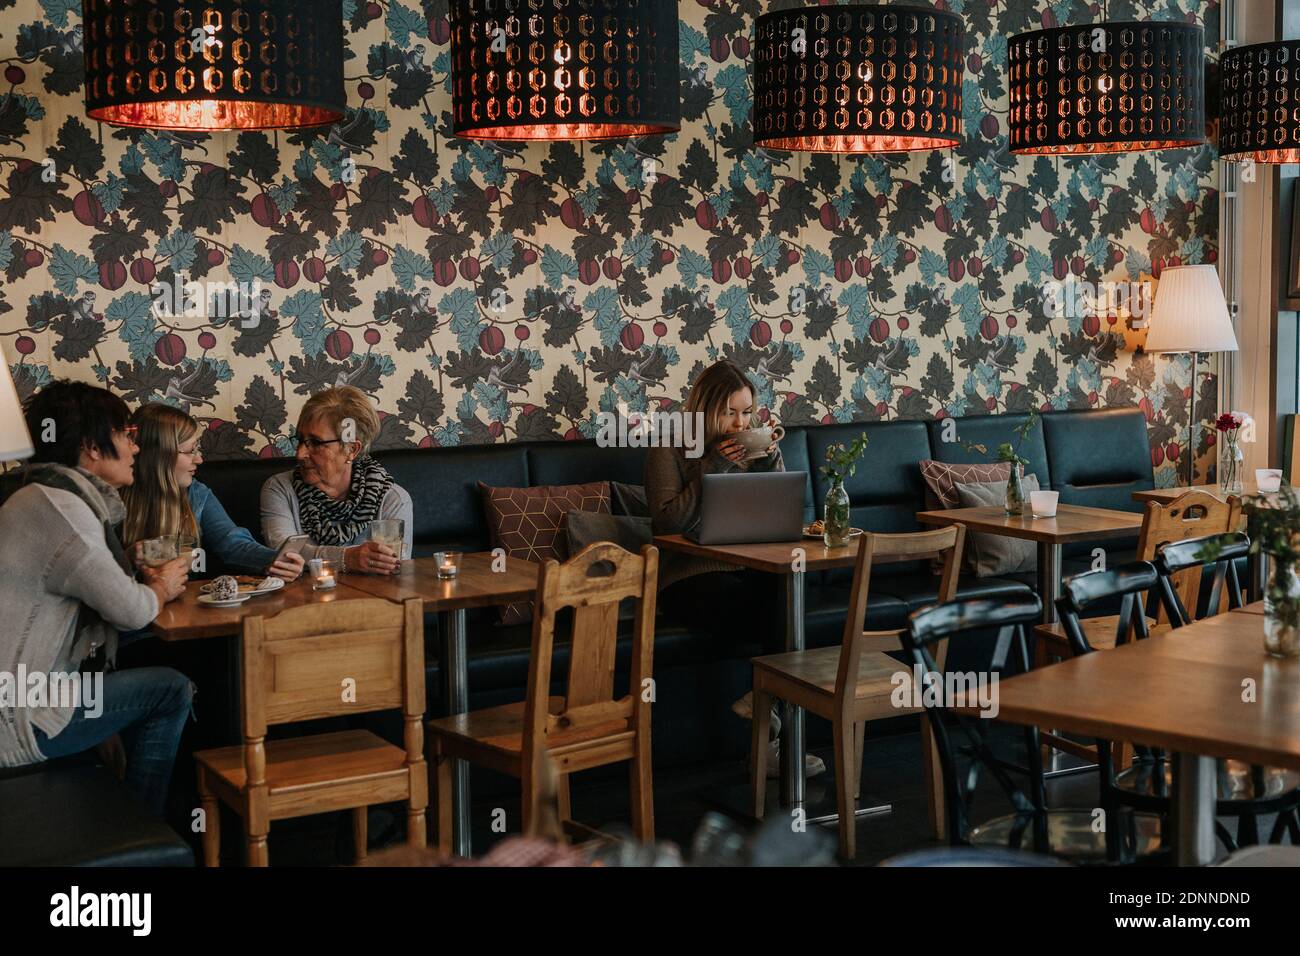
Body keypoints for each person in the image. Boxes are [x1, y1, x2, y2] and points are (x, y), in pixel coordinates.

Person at [0, 381, 192, 815]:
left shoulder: (38, 496)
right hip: (17, 719)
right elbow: (131, 610)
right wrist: (161, 586)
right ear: (91, 447)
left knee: (150, 652)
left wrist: (124, 563)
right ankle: (144, 826)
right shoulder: (63, 511)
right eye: (127, 434)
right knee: (172, 690)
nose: (135, 448)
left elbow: (71, 578)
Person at [643, 360, 825, 777]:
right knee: (777, 611)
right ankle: (772, 728)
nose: (740, 421)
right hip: (689, 579)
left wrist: (768, 459)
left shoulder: (750, 444)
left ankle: (766, 709)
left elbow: (778, 509)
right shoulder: (669, 444)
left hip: (749, 568)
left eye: (747, 412)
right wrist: (714, 466)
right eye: (730, 412)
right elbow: (667, 522)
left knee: (793, 595)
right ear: (705, 409)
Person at [122, 403, 304, 580]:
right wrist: (128, 559)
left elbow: (232, 543)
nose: (199, 460)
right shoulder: (114, 500)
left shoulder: (197, 494)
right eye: (189, 451)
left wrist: (275, 560)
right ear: (160, 456)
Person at [261, 385, 413, 573]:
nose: (300, 454)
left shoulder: (393, 500)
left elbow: (396, 572)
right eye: (300, 440)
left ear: (351, 449)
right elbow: (282, 554)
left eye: (315, 443)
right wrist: (346, 559)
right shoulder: (280, 489)